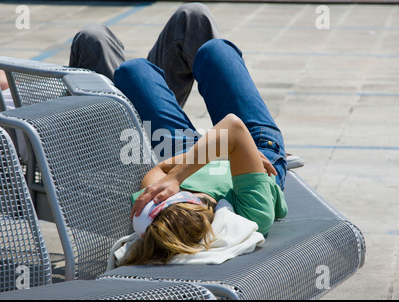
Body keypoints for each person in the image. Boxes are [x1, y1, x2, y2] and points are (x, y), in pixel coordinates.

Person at [70, 4, 289, 267]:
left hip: (195, 153)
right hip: (256, 146)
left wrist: (220, 156)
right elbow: (234, 127)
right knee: (214, 52)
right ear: (204, 210)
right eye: (199, 197)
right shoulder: (249, 215)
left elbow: (162, 167)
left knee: (134, 70)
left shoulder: (154, 203)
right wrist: (180, 175)